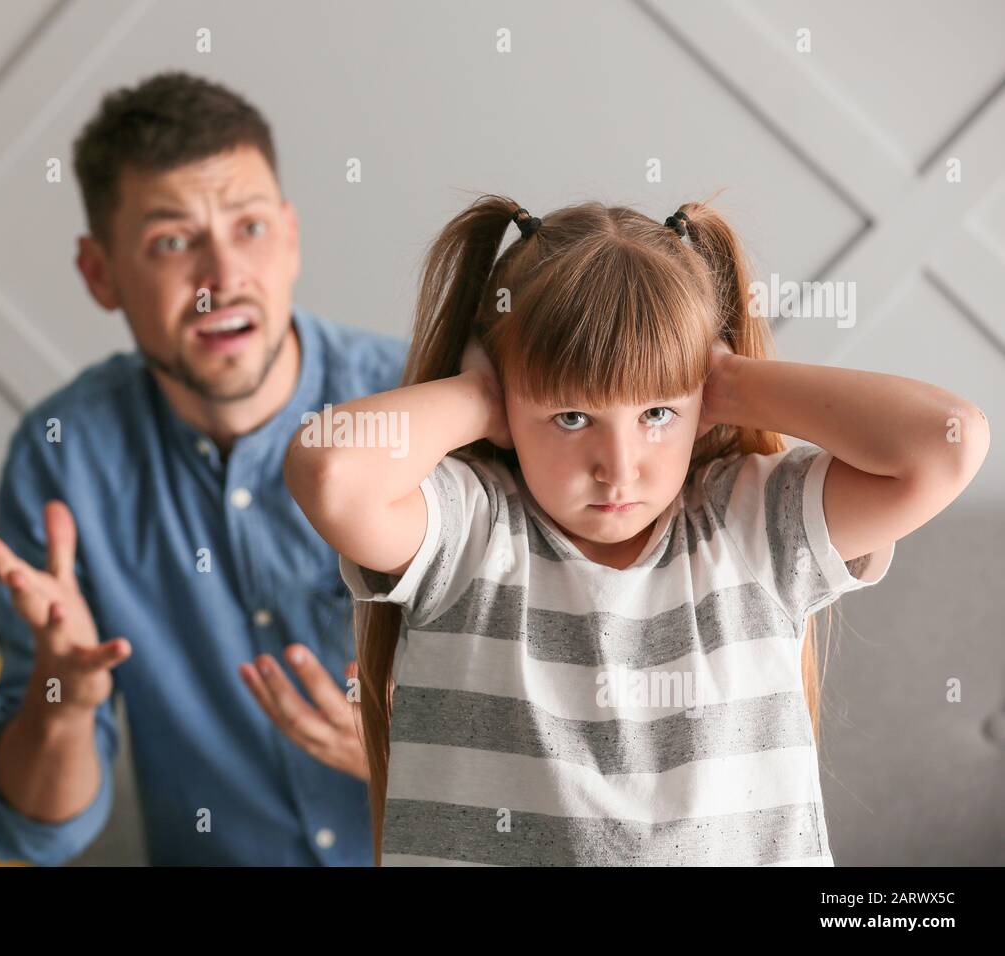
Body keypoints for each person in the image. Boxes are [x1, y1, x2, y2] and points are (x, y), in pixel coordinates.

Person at [284, 195, 990, 865]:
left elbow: (947, 445)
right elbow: (330, 473)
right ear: (505, 403)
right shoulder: (469, 534)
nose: (618, 471)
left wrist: (733, 382)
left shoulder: (753, 525)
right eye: (570, 417)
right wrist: (479, 396)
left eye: (657, 414)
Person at [0, 71, 405, 866]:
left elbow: (576, 750)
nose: (222, 279)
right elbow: (35, 833)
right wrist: (64, 698)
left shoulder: (418, 404)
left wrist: (404, 759)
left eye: (248, 228)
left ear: (291, 237)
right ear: (99, 273)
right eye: (171, 242)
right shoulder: (63, 454)